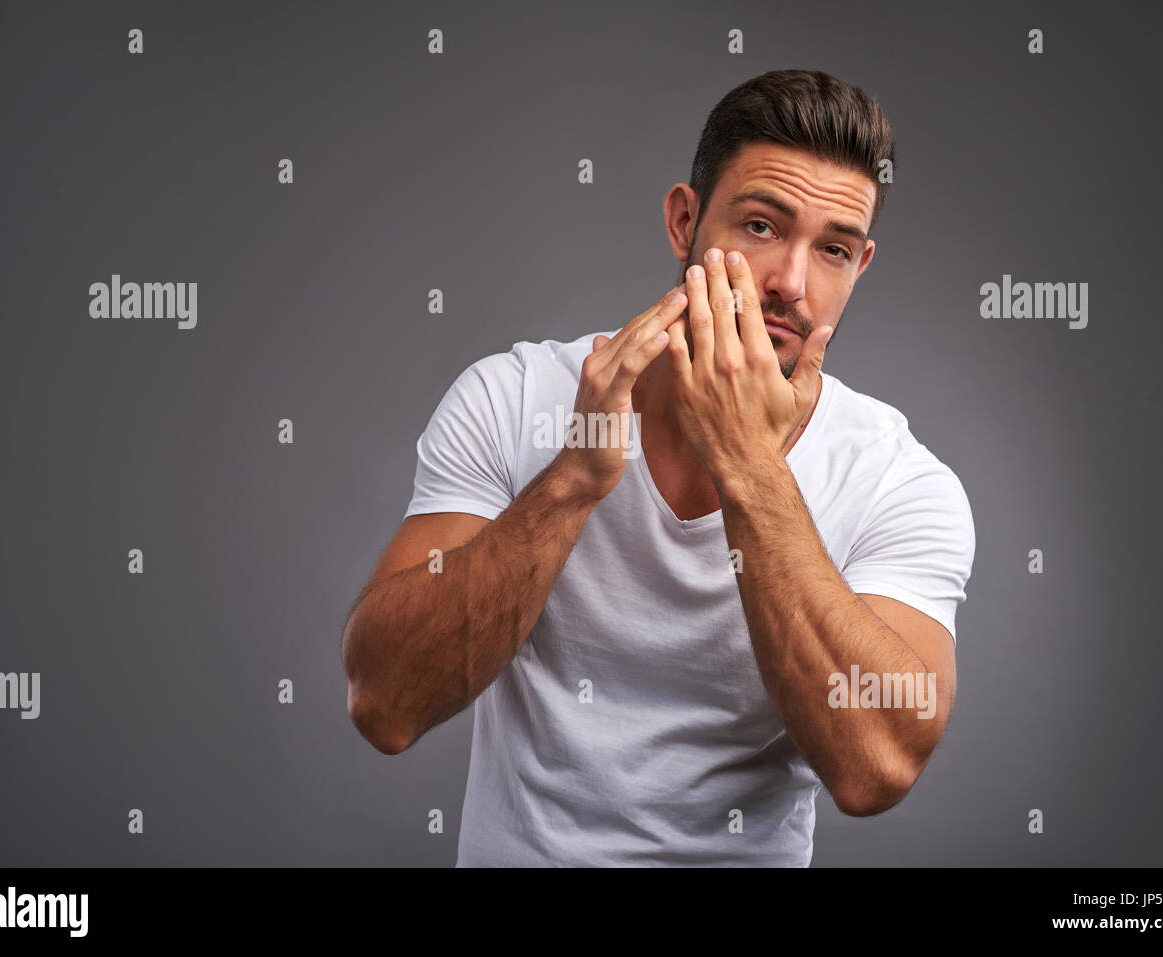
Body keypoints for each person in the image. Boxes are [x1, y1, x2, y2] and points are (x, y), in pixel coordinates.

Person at [342, 68, 976, 866]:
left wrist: (750, 468)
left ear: (861, 266)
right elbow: (385, 703)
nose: (790, 281)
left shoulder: (898, 480)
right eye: (759, 226)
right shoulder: (515, 397)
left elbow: (876, 767)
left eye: (834, 249)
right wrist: (573, 479)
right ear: (686, 223)